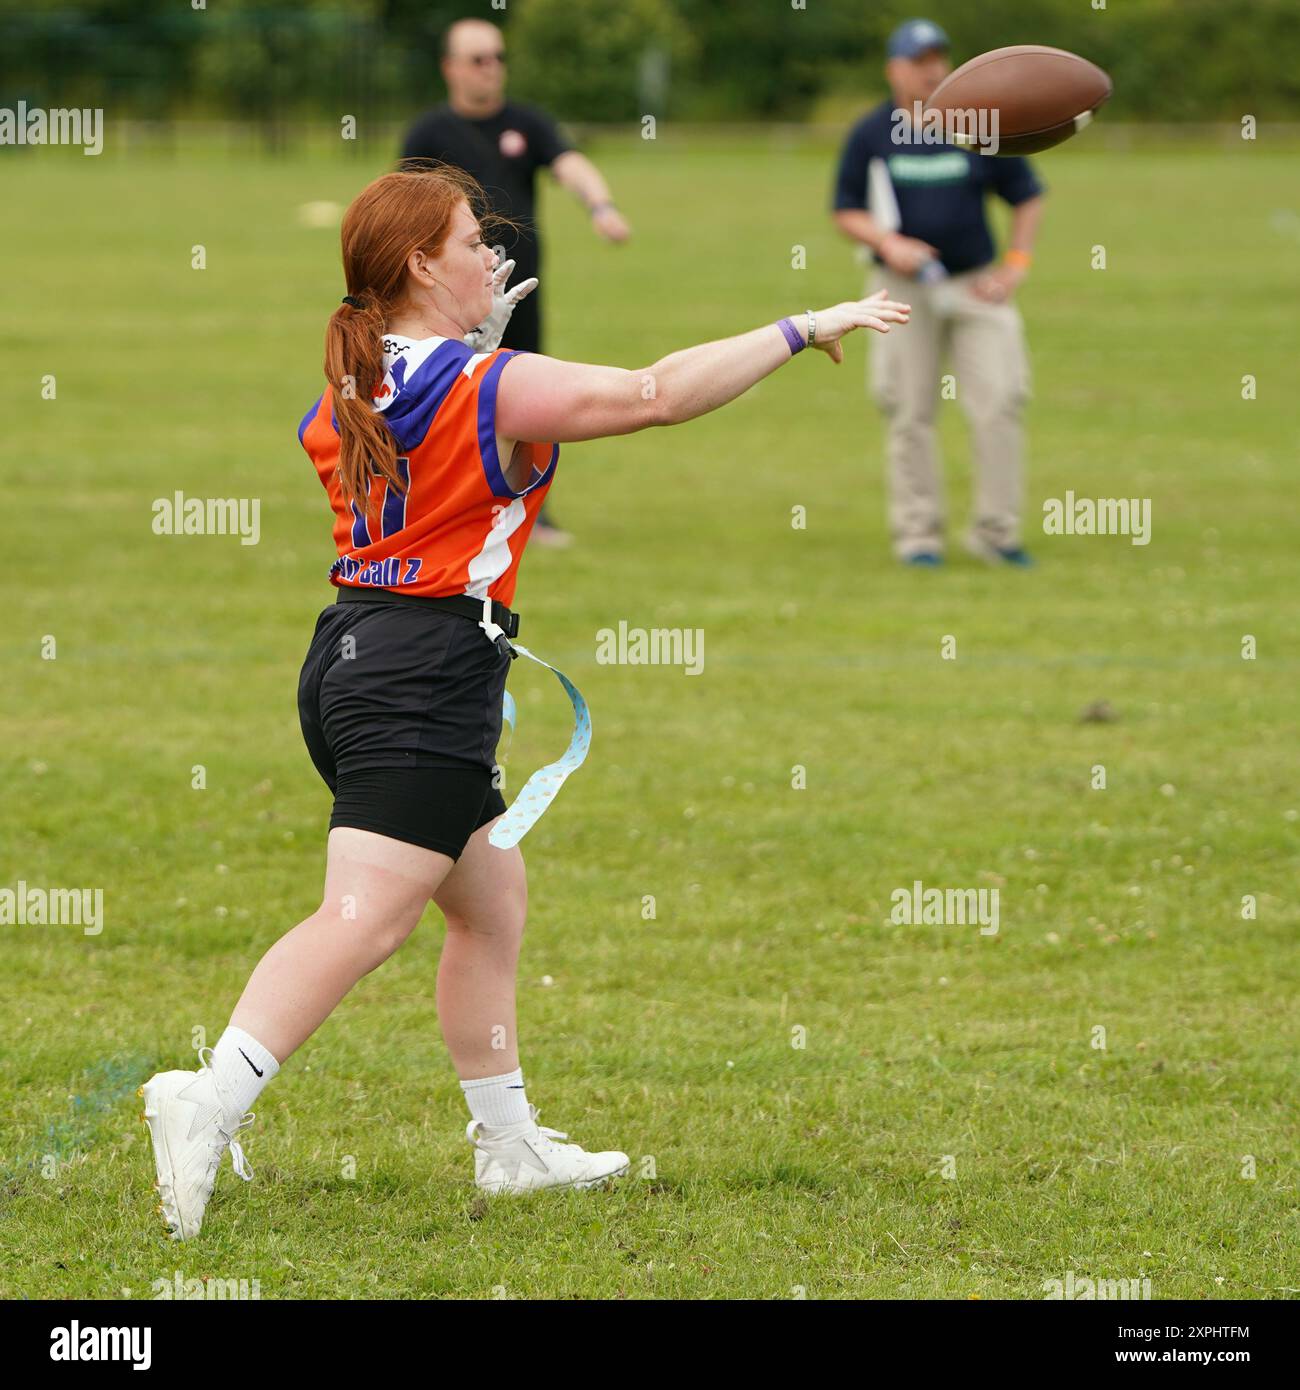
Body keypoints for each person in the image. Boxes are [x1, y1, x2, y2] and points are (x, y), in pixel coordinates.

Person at [139, 164, 910, 1239]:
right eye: (470, 241)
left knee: (489, 900)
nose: (489, 254)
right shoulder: (481, 383)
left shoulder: (352, 386)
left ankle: (508, 1146)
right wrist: (799, 326)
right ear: (421, 265)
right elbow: (652, 395)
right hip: (423, 673)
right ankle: (210, 1095)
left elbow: (431, 440)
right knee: (365, 919)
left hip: (357, 654)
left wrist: (476, 355)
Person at [401, 16, 632, 548]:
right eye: (479, 59)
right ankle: (438, 504)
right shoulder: (429, 133)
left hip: (515, 290)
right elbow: (402, 207)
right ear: (450, 68)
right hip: (447, 296)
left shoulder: (527, 123)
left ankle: (530, 511)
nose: (492, 68)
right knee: (445, 393)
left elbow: (570, 164)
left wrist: (600, 205)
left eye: (499, 57)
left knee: (526, 391)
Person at [832, 18, 1046, 566]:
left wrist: (1016, 264)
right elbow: (846, 210)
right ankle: (919, 537)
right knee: (909, 410)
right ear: (893, 69)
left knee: (1000, 402)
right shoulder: (871, 133)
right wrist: (888, 243)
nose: (931, 70)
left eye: (937, 59)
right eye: (918, 61)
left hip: (977, 284)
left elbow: (1026, 194)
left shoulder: (977, 125)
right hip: (900, 290)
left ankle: (997, 534)